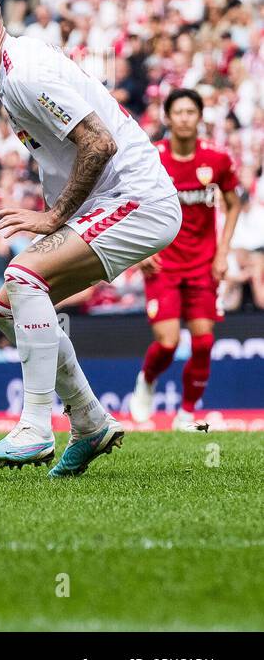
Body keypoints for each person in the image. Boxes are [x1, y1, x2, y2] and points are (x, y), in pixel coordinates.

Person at [0, 0, 179, 478]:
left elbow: (99, 143)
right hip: (115, 204)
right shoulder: (10, 74)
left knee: (24, 276)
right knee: (8, 303)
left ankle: (35, 424)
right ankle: (89, 421)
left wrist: (55, 218)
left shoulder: (25, 73)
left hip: (137, 198)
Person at [131, 89, 242, 431]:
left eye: (190, 112)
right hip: (162, 262)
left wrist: (223, 253)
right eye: (177, 112)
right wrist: (142, 251)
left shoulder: (217, 159)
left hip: (203, 263)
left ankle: (187, 413)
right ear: (167, 117)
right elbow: (130, 205)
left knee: (205, 341)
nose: (183, 118)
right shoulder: (152, 158)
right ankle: (146, 382)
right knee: (168, 342)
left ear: (199, 117)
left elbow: (234, 203)